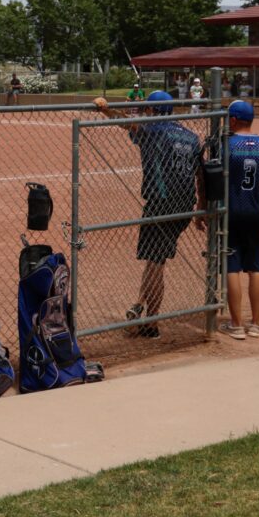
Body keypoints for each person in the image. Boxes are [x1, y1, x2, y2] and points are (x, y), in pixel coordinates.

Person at [93, 90, 202, 338]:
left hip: (161, 203)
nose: (144, 112)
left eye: (147, 108)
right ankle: (141, 304)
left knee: (154, 263)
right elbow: (200, 175)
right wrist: (200, 208)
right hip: (186, 205)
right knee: (156, 259)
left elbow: (126, 122)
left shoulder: (154, 130)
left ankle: (152, 322)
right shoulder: (191, 136)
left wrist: (106, 108)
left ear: (153, 110)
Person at [211, 101, 259, 340]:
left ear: (232, 120)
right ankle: (256, 323)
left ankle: (236, 324)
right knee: (256, 269)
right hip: (256, 214)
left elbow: (212, 179)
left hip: (231, 213)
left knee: (232, 268)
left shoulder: (226, 146)